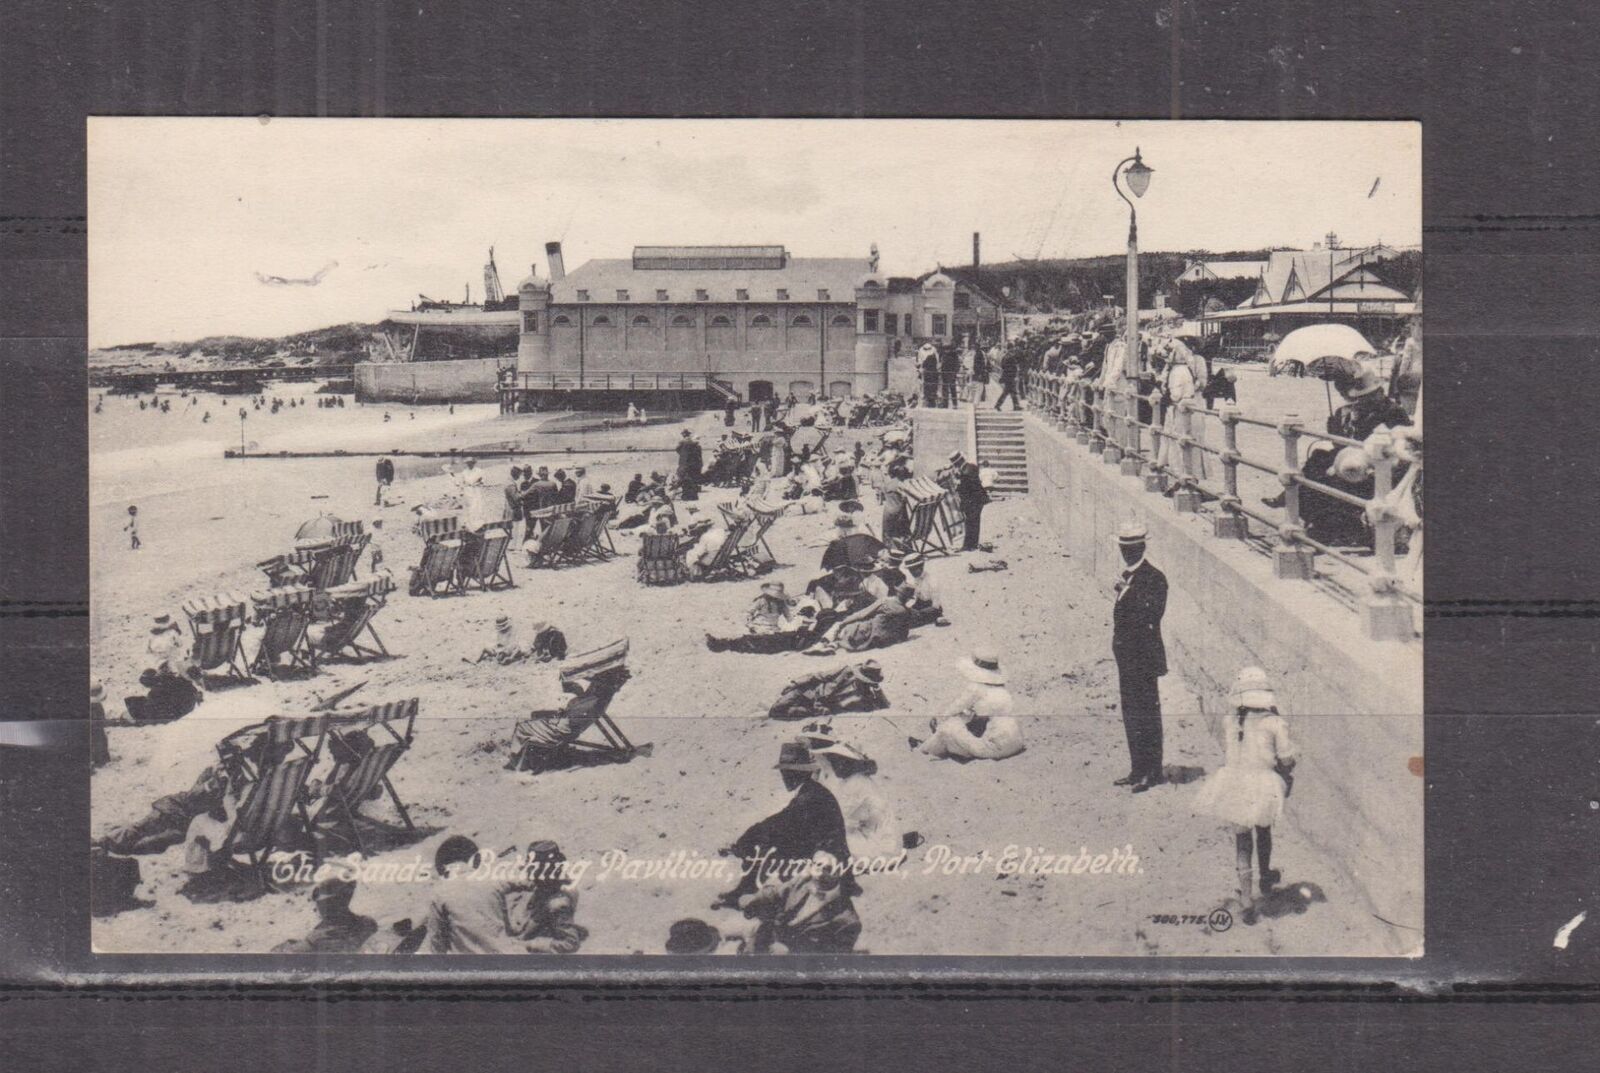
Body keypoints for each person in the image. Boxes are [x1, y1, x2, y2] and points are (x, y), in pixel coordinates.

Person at [1193, 667, 1298, 911]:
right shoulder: (1275, 723)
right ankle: (1265, 875)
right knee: (1264, 831)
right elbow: (1285, 758)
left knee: (1242, 840)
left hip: (1235, 784)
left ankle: (1246, 897)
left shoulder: (1230, 722)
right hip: (1262, 785)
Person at [714, 741, 856, 908]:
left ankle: (745, 894)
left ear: (800, 773)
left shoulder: (810, 796)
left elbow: (780, 823)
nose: (784, 777)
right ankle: (744, 892)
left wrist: (746, 841)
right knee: (769, 844)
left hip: (829, 864)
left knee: (767, 847)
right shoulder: (810, 791)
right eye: (783, 772)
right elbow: (783, 822)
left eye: (788, 772)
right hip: (824, 855)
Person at [424, 839, 588, 954]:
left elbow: (436, 945)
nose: (528, 873)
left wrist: (528, 945)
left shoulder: (558, 903)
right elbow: (519, 882)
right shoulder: (494, 880)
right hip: (505, 949)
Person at [1111, 523, 1168, 792]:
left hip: (1143, 658)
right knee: (1131, 714)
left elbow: (1150, 615)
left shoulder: (1154, 578)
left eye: (1131, 549)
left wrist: (1128, 593)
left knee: (1147, 715)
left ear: (1142, 548)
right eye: (1124, 548)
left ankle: (1152, 771)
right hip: (1128, 658)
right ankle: (1138, 769)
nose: (1126, 553)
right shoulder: (1130, 577)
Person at [915, 646, 1025, 760]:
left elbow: (953, 709)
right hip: (1017, 743)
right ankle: (929, 747)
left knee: (947, 727)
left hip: (995, 748)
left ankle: (924, 750)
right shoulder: (1002, 689)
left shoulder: (976, 688)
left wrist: (938, 720)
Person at [272, 876, 378, 954]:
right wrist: (308, 943)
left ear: (343, 901)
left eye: (328, 904)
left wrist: (309, 944)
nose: (320, 910)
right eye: (320, 905)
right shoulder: (318, 933)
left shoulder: (366, 924)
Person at [955, 460, 989, 551]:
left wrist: (958, 486)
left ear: (957, 463)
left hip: (973, 500)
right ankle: (972, 544)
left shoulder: (965, 472)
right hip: (978, 499)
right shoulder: (970, 466)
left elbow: (966, 487)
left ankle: (968, 546)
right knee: (974, 522)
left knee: (970, 522)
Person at [994, 346, 1022, 411]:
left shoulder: (1005, 356)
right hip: (1010, 376)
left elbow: (1002, 365)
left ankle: (1016, 406)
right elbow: (1014, 367)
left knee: (1011, 392)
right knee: (1008, 392)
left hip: (1006, 376)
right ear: (1011, 349)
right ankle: (998, 405)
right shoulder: (1011, 357)